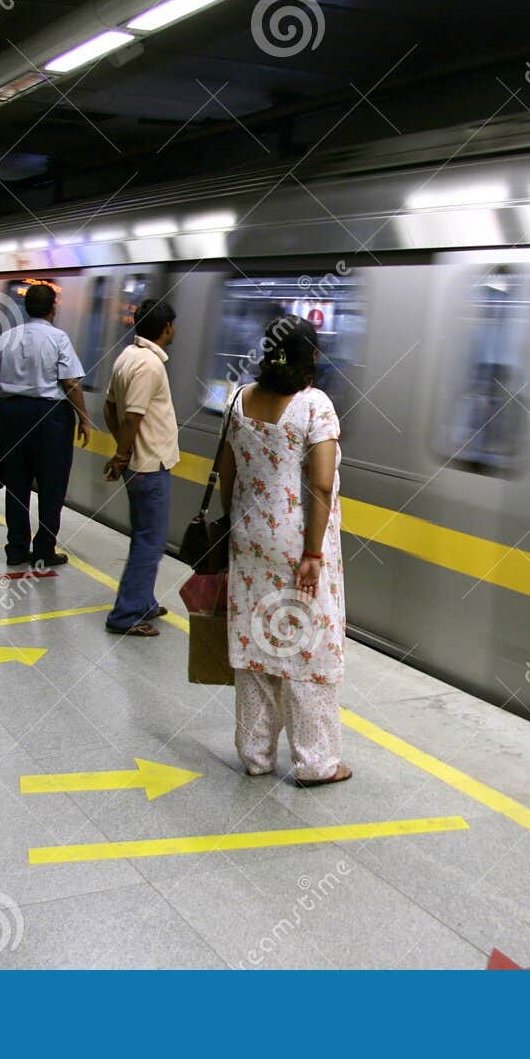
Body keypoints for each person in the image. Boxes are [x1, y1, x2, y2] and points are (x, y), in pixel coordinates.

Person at [217, 316, 350, 786]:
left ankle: (254, 754)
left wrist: (240, 525)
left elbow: (227, 474)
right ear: (310, 356)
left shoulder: (239, 399)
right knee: (306, 646)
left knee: (256, 644)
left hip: (250, 536)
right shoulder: (315, 405)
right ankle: (317, 762)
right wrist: (312, 553)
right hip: (297, 543)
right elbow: (319, 483)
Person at [0, 279, 90, 567]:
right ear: (53, 309)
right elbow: (70, 382)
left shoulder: (5, 338)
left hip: (12, 414)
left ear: (25, 307)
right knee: (51, 485)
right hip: (50, 418)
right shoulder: (58, 338)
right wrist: (84, 418)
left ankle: (16, 548)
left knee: (16, 484)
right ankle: (44, 549)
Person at [102, 298, 180, 636]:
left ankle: (143, 601)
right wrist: (123, 454)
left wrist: (123, 447)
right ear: (165, 328)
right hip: (149, 465)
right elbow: (132, 414)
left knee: (144, 535)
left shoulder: (127, 356)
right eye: (172, 325)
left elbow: (109, 407)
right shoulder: (149, 365)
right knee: (150, 540)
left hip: (140, 463)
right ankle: (126, 615)